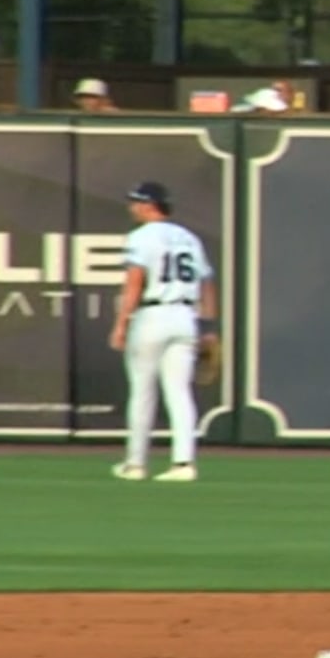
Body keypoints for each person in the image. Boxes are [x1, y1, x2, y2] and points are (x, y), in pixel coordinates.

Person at [109, 181, 219, 483]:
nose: (132, 207)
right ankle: (184, 463)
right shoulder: (190, 238)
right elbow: (207, 283)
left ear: (149, 205)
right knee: (180, 393)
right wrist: (208, 326)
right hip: (185, 316)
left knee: (143, 392)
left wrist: (121, 324)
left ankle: (135, 464)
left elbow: (134, 282)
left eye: (136, 202)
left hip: (152, 315)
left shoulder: (141, 237)